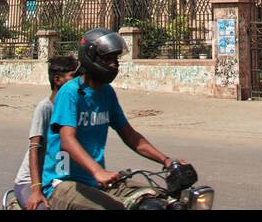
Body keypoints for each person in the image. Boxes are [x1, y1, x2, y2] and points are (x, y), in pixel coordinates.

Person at [42, 28, 182, 210]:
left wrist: (166, 160)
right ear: (90, 58)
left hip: (95, 182)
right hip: (62, 183)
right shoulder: (71, 93)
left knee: (157, 201)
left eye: (115, 59)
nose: (114, 64)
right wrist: (97, 171)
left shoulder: (107, 93)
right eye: (107, 59)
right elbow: (67, 140)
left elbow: (130, 135)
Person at [12, 55, 78, 210]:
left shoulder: (72, 108)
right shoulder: (45, 108)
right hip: (31, 181)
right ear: (57, 79)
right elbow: (34, 148)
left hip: (58, 177)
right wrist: (35, 190)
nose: (77, 82)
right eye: (73, 77)